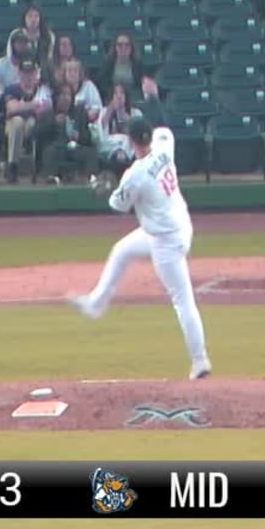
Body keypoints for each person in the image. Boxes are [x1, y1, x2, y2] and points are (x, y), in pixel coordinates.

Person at [68, 117, 214, 382]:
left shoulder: (134, 176)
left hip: (165, 242)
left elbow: (118, 205)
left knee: (183, 301)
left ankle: (200, 360)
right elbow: (165, 131)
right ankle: (95, 303)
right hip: (179, 225)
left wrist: (109, 189)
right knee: (122, 250)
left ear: (131, 141)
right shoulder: (164, 147)